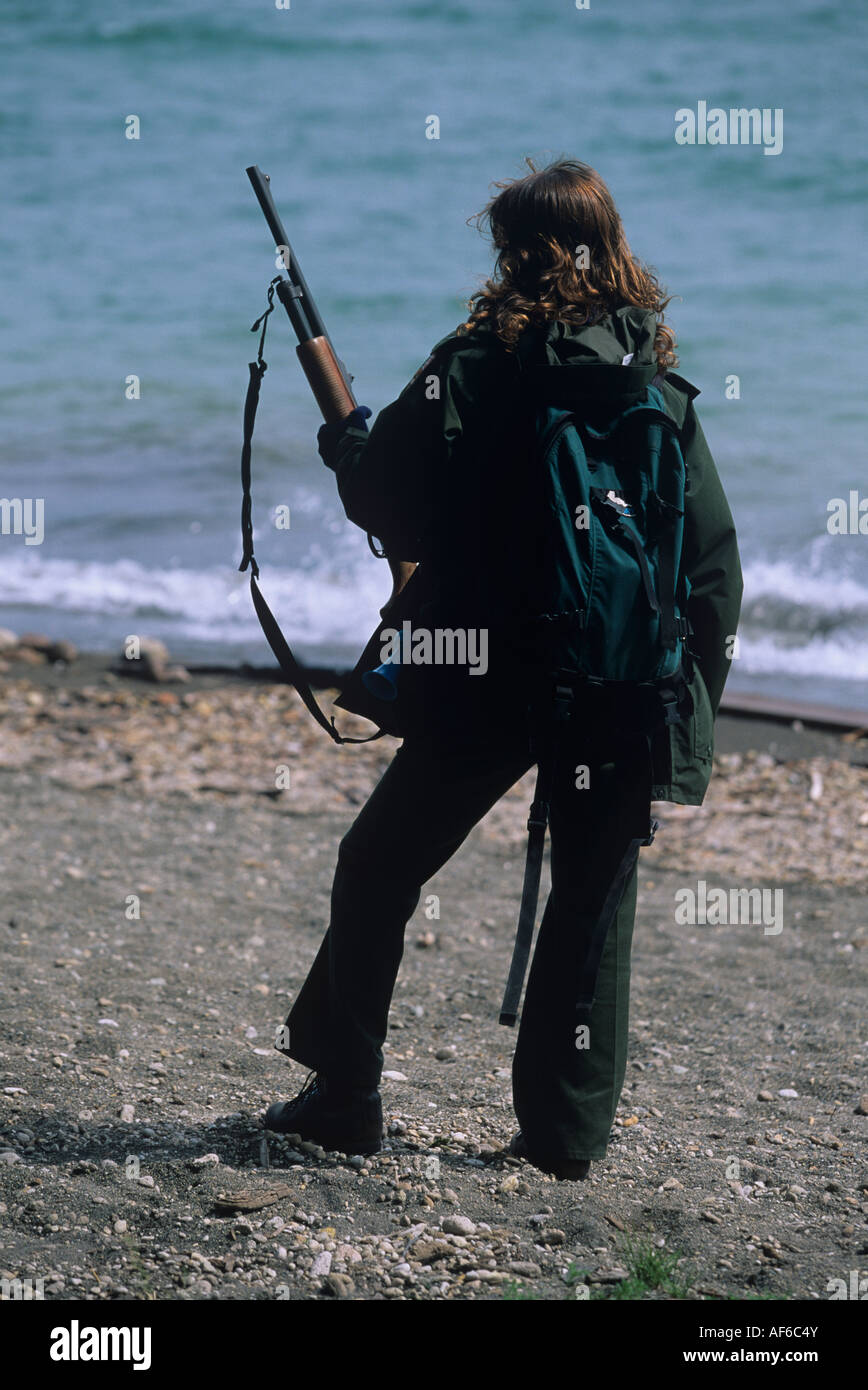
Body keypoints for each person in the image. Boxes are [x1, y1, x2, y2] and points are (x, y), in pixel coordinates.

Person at [263, 158, 743, 1180]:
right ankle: (564, 1142)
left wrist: (345, 442)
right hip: (620, 686)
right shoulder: (656, 380)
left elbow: (385, 497)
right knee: (592, 905)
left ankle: (346, 1092)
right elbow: (709, 568)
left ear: (509, 249)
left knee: (379, 865)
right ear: (611, 245)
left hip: (487, 672)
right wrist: (685, 705)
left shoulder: (475, 362)